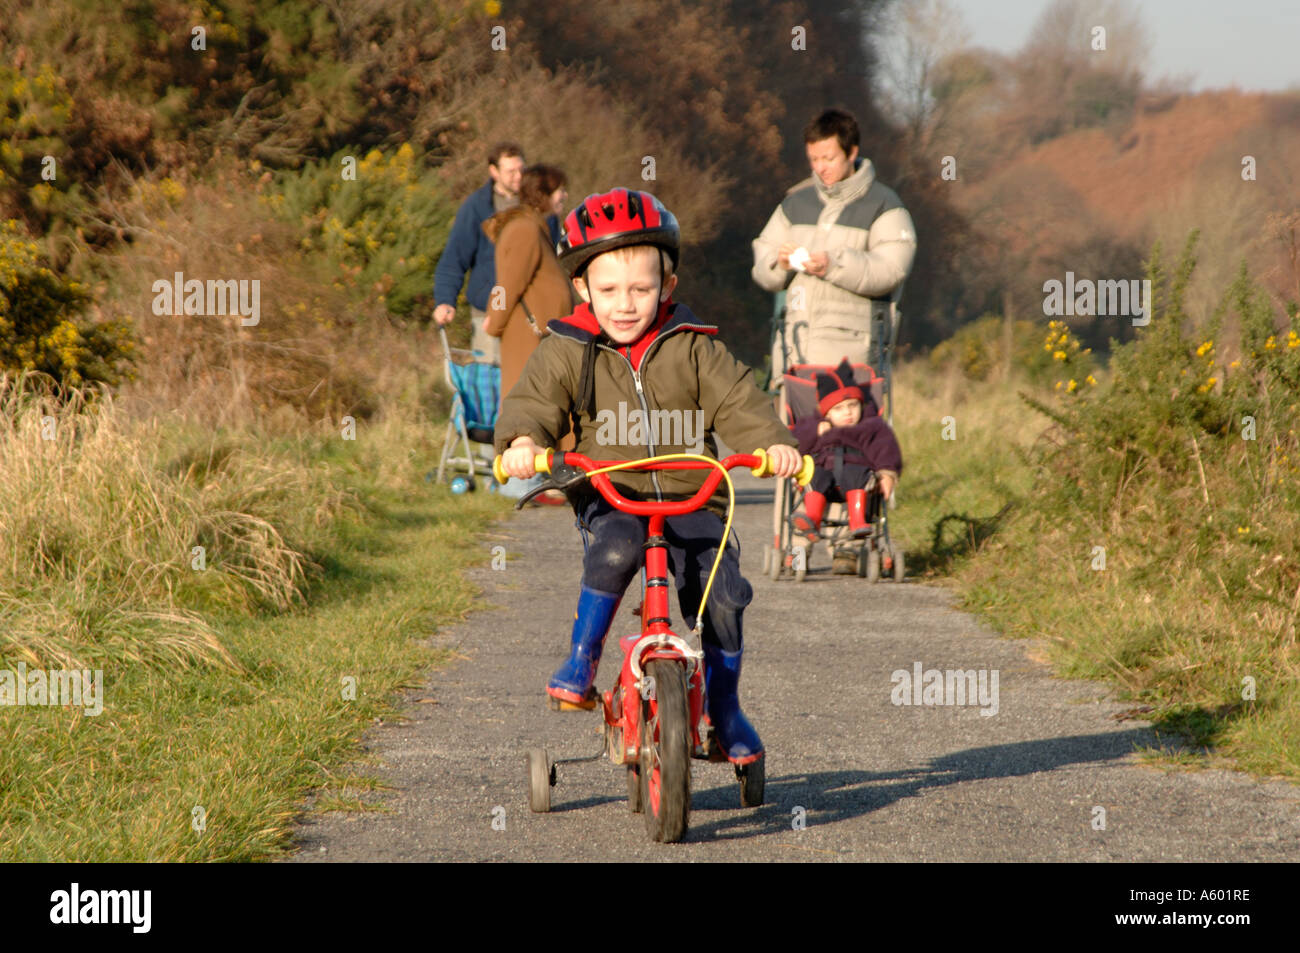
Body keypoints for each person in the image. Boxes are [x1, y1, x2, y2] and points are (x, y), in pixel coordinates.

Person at [494, 188, 800, 766]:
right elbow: (534, 401)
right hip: (614, 495)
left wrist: (774, 445)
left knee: (725, 595)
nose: (626, 304)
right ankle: (582, 660)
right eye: (609, 290)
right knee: (614, 551)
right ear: (583, 287)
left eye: (641, 288)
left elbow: (740, 402)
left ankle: (726, 708)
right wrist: (524, 442)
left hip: (695, 496)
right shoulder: (568, 349)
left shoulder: (693, 348)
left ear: (668, 286)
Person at [752, 108, 918, 374]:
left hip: (853, 367)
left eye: (828, 158)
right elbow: (763, 258)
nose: (820, 167)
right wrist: (779, 263)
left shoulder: (885, 206)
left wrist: (833, 265)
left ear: (852, 152)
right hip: (792, 356)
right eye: (814, 159)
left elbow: (892, 269)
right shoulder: (794, 202)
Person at [481, 164, 574, 502]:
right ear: (543, 193)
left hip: (538, 337)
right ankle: (525, 486)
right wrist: (495, 321)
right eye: (558, 189)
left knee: (546, 402)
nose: (564, 195)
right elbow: (508, 284)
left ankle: (543, 483)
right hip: (528, 338)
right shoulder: (523, 229)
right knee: (528, 403)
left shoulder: (534, 226)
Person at [432, 143, 561, 364]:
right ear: (493, 171)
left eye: (521, 169)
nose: (518, 176)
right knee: (489, 384)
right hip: (487, 314)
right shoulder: (475, 207)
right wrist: (445, 300)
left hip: (532, 315)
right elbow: (454, 259)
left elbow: (555, 262)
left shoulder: (542, 208)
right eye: (510, 171)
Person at [790, 358, 903, 543]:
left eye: (853, 405)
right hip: (823, 473)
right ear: (826, 413)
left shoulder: (871, 425)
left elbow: (885, 448)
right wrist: (815, 431)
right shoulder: (814, 425)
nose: (848, 413)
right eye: (839, 409)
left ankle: (858, 522)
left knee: (858, 474)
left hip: (856, 474)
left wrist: (887, 473)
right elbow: (796, 440)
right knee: (814, 476)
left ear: (861, 405)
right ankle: (813, 521)